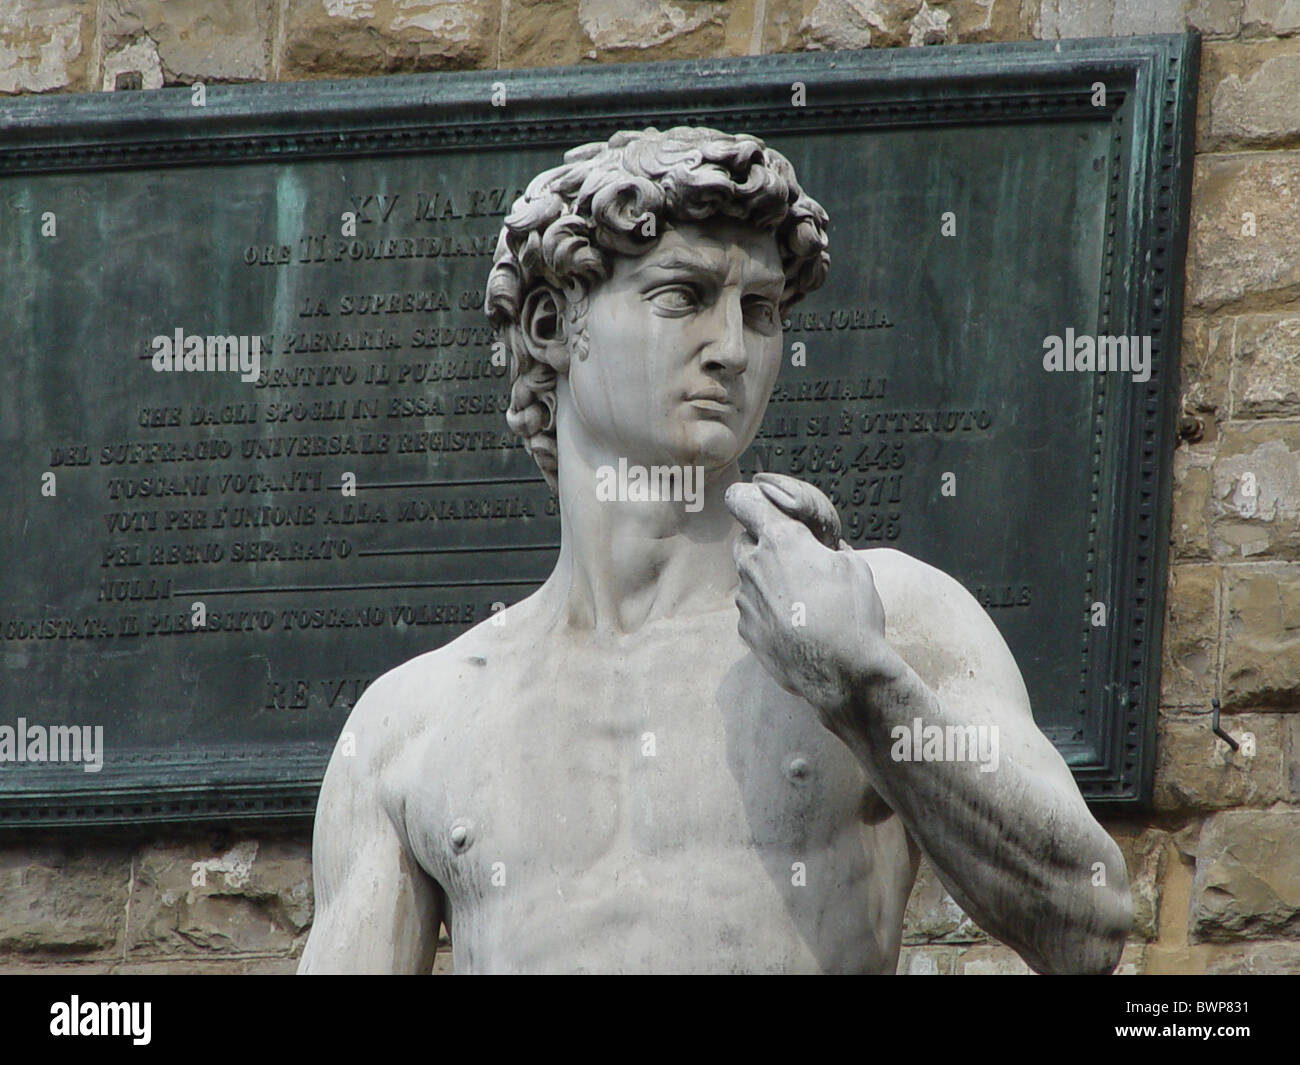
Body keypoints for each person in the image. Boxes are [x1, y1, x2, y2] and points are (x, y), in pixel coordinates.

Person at [299, 126, 1132, 974]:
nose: (733, 348)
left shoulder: (881, 612)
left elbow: (1090, 919)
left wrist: (867, 692)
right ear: (553, 324)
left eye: (760, 310)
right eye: (683, 296)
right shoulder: (412, 725)